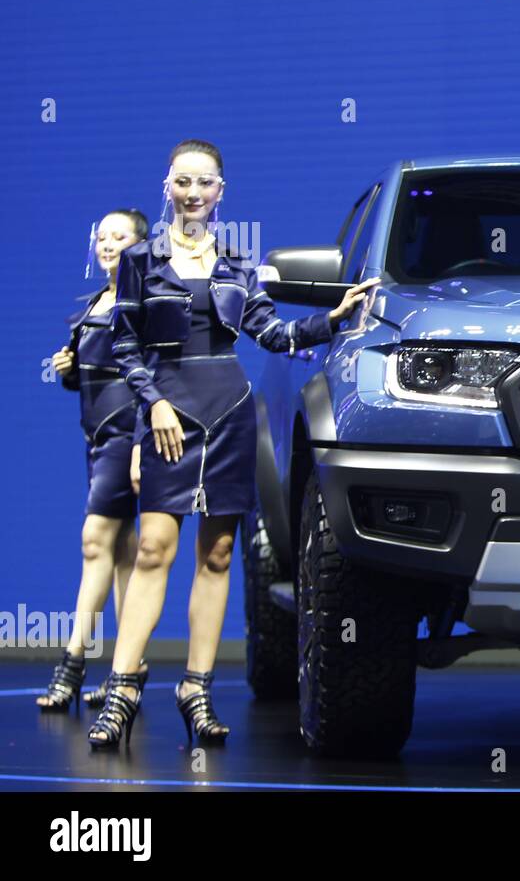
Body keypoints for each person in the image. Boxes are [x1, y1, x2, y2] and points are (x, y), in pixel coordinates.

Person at [87, 139, 376, 748]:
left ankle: (196, 688)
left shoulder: (238, 263)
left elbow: (271, 333)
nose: (193, 193)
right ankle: (123, 689)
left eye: (206, 183)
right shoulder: (141, 258)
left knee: (218, 555)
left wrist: (332, 317)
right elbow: (123, 346)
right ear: (167, 186)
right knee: (153, 550)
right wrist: (155, 403)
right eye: (183, 182)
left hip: (229, 414)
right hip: (169, 409)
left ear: (222, 191)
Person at [39, 210, 151, 712]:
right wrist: (69, 369)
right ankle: (129, 670)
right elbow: (95, 376)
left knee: (94, 541)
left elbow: (153, 380)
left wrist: (138, 446)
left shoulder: (142, 305)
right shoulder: (93, 306)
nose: (107, 244)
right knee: (123, 551)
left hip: (126, 437)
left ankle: (72, 663)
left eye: (119, 236)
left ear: (141, 245)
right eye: (101, 237)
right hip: (97, 436)